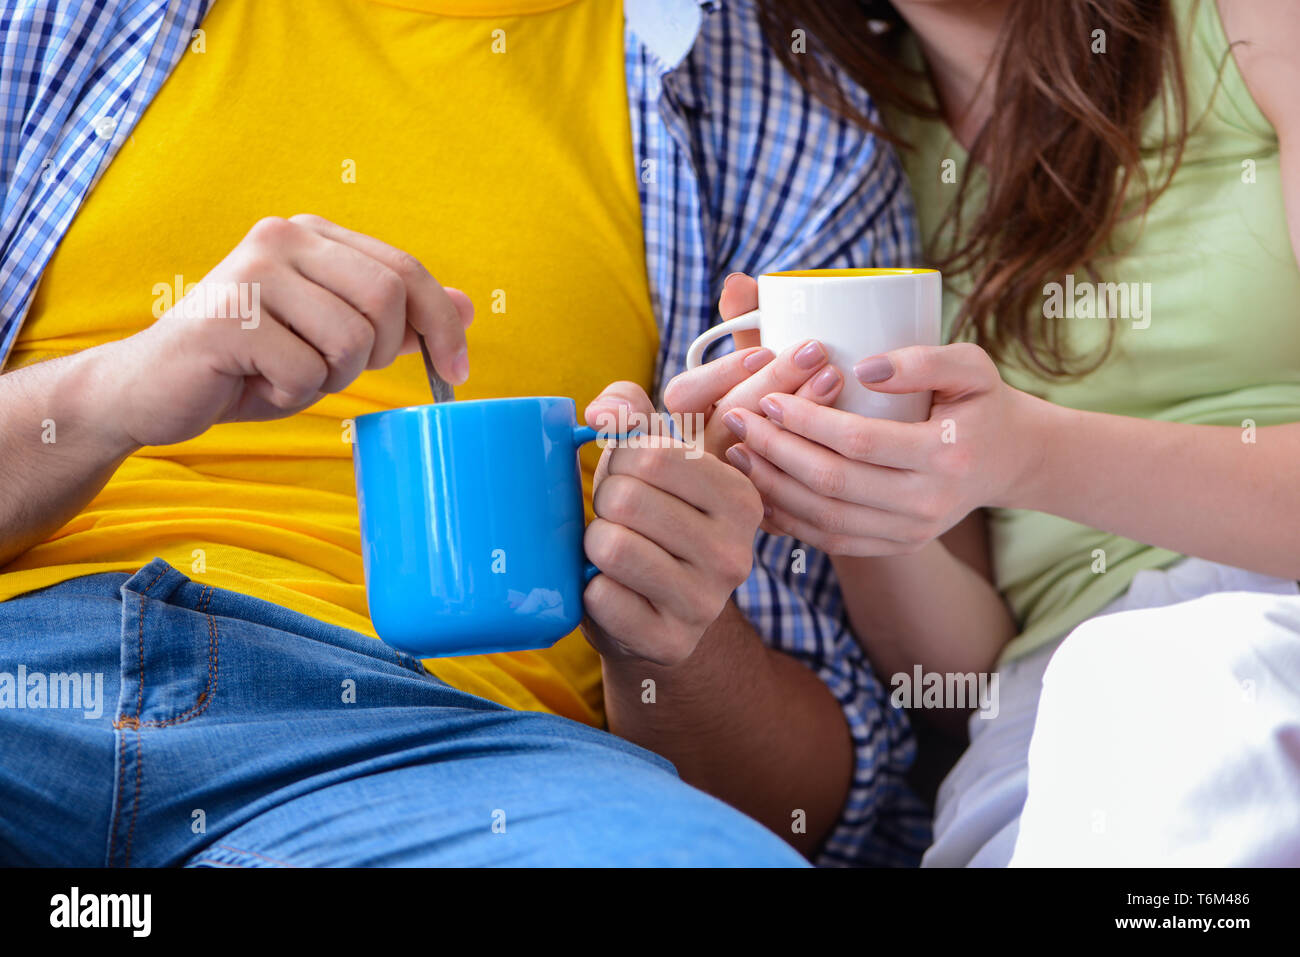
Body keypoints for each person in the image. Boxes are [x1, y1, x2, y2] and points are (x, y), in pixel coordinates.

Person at [0, 0, 928, 866]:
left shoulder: (789, 120)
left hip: (441, 755)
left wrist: (675, 634)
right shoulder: (49, 19)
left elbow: (812, 805)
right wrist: (104, 397)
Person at [675, 0, 1300, 865]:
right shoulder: (851, 142)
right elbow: (961, 664)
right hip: (1052, 707)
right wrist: (840, 477)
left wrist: (1032, 457)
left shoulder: (1248, 20)